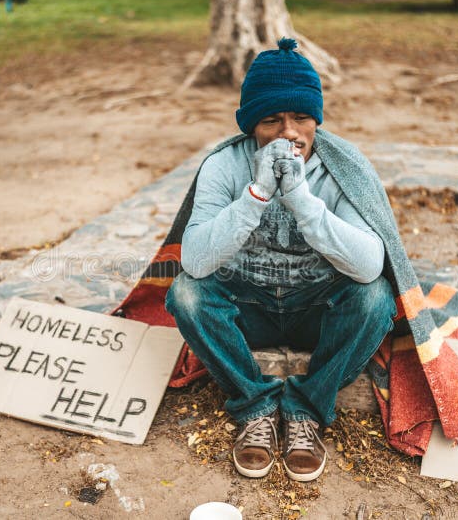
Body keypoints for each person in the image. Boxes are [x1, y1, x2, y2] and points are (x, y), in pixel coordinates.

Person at [164, 38, 397, 482]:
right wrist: (256, 195)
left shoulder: (343, 167)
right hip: (248, 306)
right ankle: (255, 406)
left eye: (301, 118)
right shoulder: (223, 165)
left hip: (317, 308)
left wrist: (302, 200)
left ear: (316, 120)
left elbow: (370, 265)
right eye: (271, 120)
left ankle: (305, 409)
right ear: (251, 126)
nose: (289, 133)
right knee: (187, 295)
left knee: (375, 299)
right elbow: (194, 260)